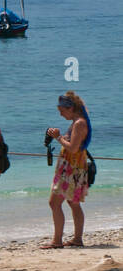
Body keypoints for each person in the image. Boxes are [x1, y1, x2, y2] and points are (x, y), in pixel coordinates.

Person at [44, 92, 92, 249]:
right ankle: (77, 239)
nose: (60, 114)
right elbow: (72, 142)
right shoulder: (78, 122)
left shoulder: (79, 123)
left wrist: (58, 137)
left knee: (54, 203)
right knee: (73, 203)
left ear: (70, 108)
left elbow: (72, 148)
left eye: (62, 111)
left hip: (71, 169)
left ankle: (57, 241)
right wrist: (59, 135)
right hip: (74, 168)